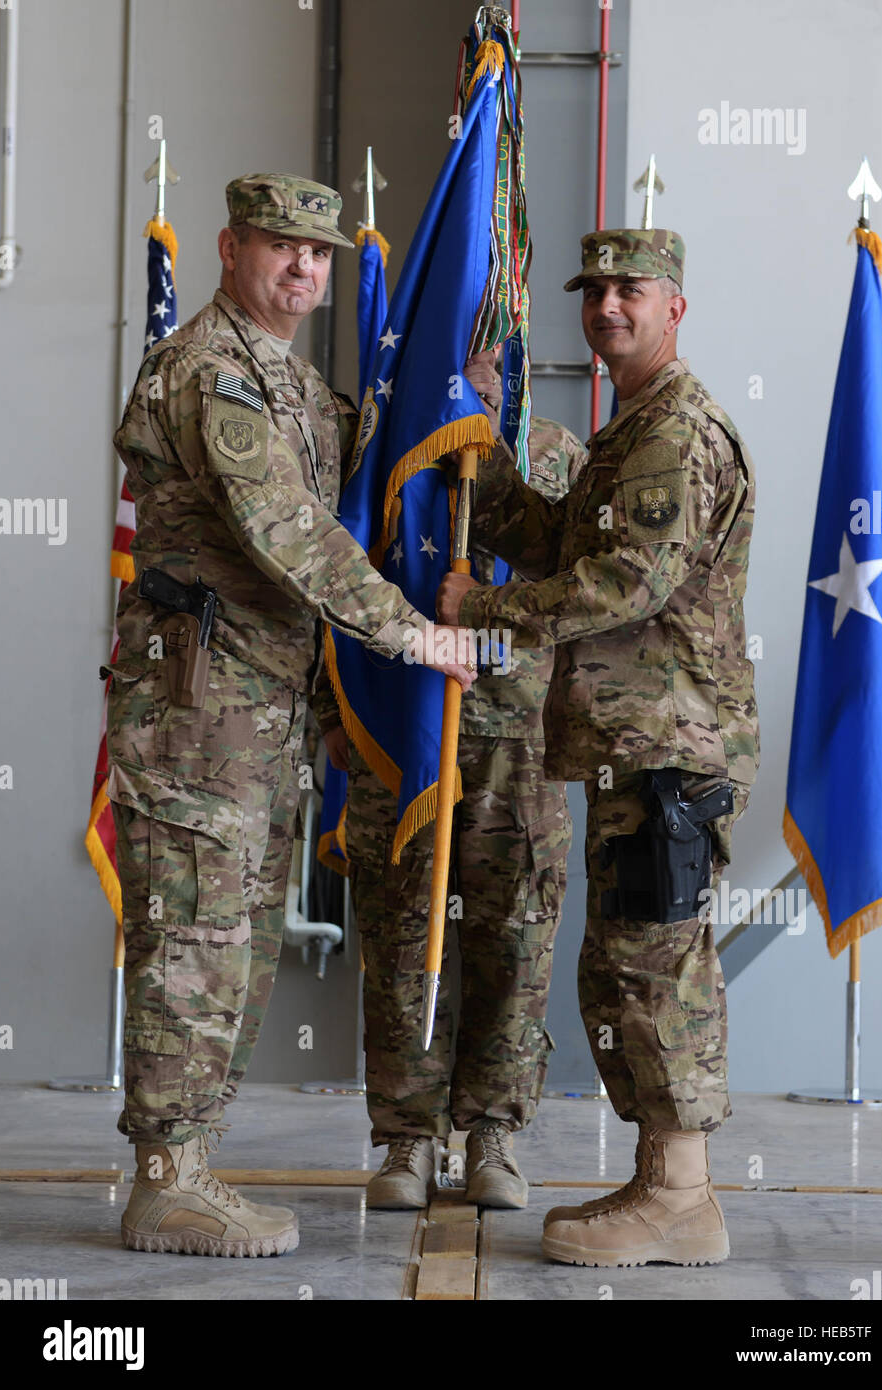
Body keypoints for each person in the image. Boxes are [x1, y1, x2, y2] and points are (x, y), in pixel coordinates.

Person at [105, 172, 475, 1258]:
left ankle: (190, 1165)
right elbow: (289, 533)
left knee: (241, 943)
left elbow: (376, 473)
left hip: (259, 714)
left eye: (320, 257)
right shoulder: (209, 372)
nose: (304, 270)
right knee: (193, 939)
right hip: (197, 711)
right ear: (229, 249)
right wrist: (411, 634)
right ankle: (164, 1178)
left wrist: (462, 400)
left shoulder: (298, 389)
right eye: (281, 248)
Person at [438, 229, 759, 1267]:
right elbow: (562, 545)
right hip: (633, 746)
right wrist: (480, 452)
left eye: (632, 290)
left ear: (675, 305)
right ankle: (661, 1180)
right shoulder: (628, 432)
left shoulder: (674, 432)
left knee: (655, 968)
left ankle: (681, 1198)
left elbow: (629, 582)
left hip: (668, 742)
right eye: (597, 290)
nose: (608, 306)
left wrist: (480, 604)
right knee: (626, 963)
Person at [314, 418, 584, 1211]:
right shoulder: (392, 442)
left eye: (496, 339)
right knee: (398, 931)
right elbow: (329, 575)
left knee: (516, 939)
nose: (481, 359)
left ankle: (492, 1132)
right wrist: (332, 706)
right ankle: (408, 1135)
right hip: (403, 738)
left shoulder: (559, 456)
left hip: (520, 741)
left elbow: (593, 594)